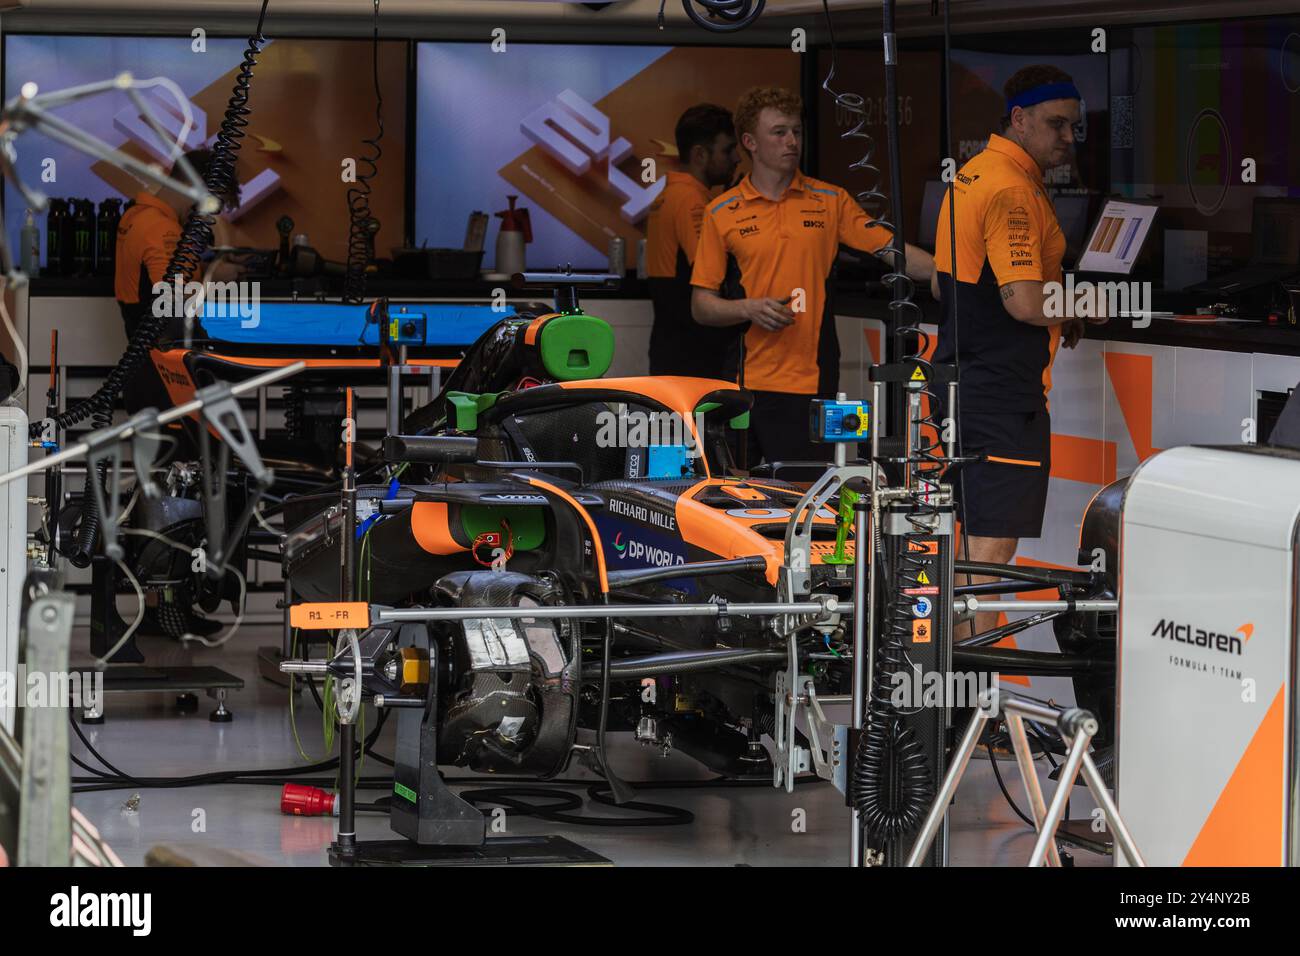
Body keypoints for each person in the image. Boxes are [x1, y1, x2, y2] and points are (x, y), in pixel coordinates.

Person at [929, 65, 1104, 638]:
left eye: (1075, 127)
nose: (1067, 139)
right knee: (986, 566)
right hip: (1001, 394)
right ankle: (968, 713)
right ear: (1019, 119)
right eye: (1057, 125)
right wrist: (1075, 305)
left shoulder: (974, 174)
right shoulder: (1012, 189)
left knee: (964, 563)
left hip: (960, 382)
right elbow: (1025, 302)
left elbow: (944, 284)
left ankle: (951, 710)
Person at [691, 86, 934, 467]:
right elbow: (701, 306)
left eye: (797, 132)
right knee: (740, 499)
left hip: (812, 378)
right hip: (745, 381)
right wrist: (749, 308)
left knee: (808, 496)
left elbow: (891, 251)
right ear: (750, 142)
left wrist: (949, 273)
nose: (792, 141)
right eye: (779, 132)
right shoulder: (721, 211)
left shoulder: (830, 201)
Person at [645, 103, 742, 379]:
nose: (737, 158)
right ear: (700, 154)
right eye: (728, 149)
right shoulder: (691, 201)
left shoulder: (669, 195)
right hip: (695, 354)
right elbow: (711, 271)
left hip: (671, 346)